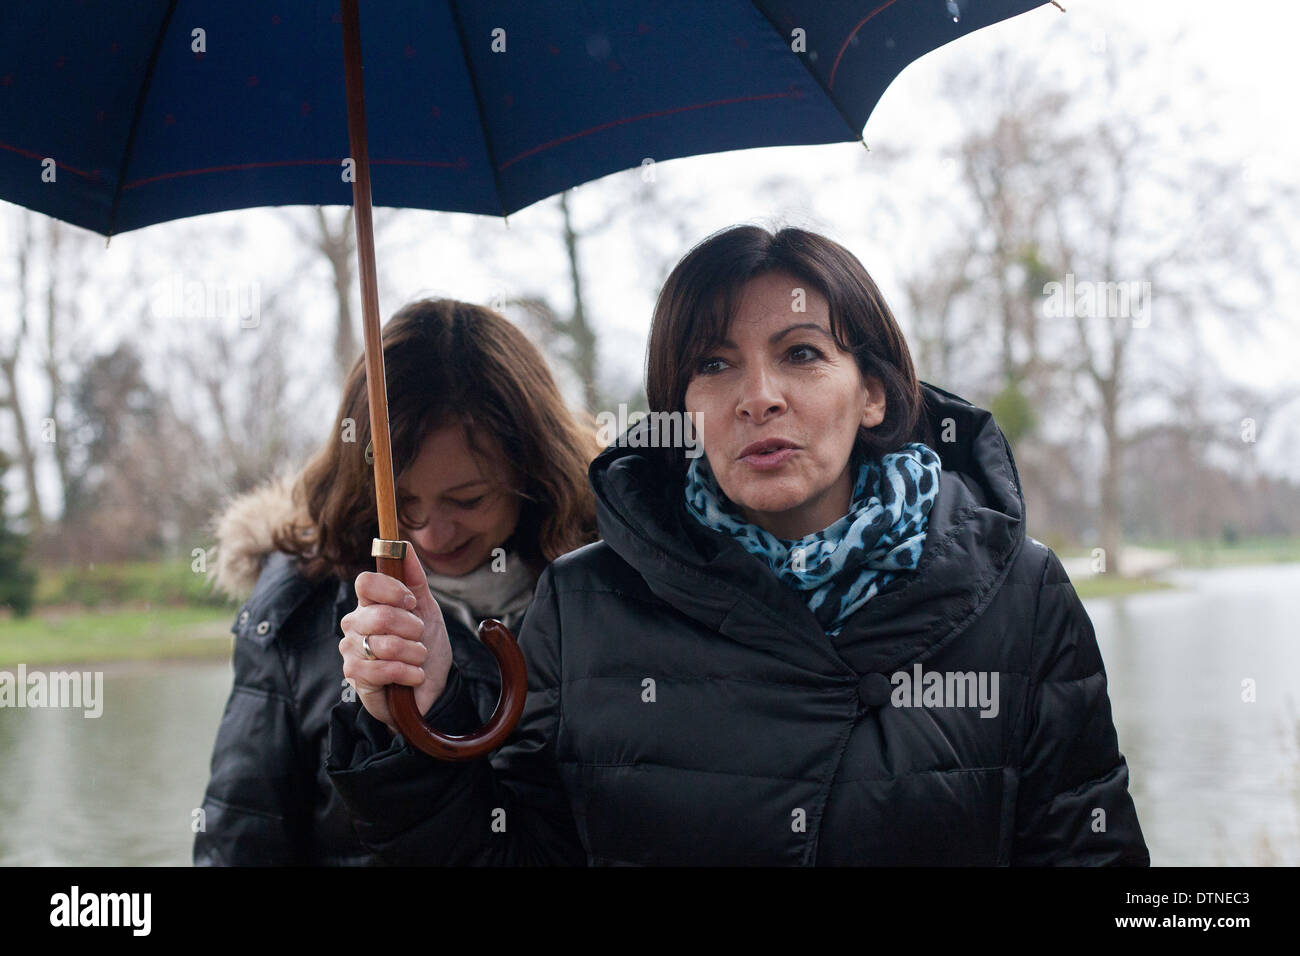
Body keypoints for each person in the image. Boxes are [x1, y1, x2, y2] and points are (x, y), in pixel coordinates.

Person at [326, 225, 1150, 866]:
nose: (758, 397)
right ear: (682, 407)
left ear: (873, 392)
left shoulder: (1022, 597)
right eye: (715, 365)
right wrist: (421, 714)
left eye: (800, 355)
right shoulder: (582, 607)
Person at [193, 298, 599, 865]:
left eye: (468, 499)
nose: (433, 533)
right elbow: (241, 840)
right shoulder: (295, 612)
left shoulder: (607, 594)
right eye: (403, 504)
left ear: (532, 467)